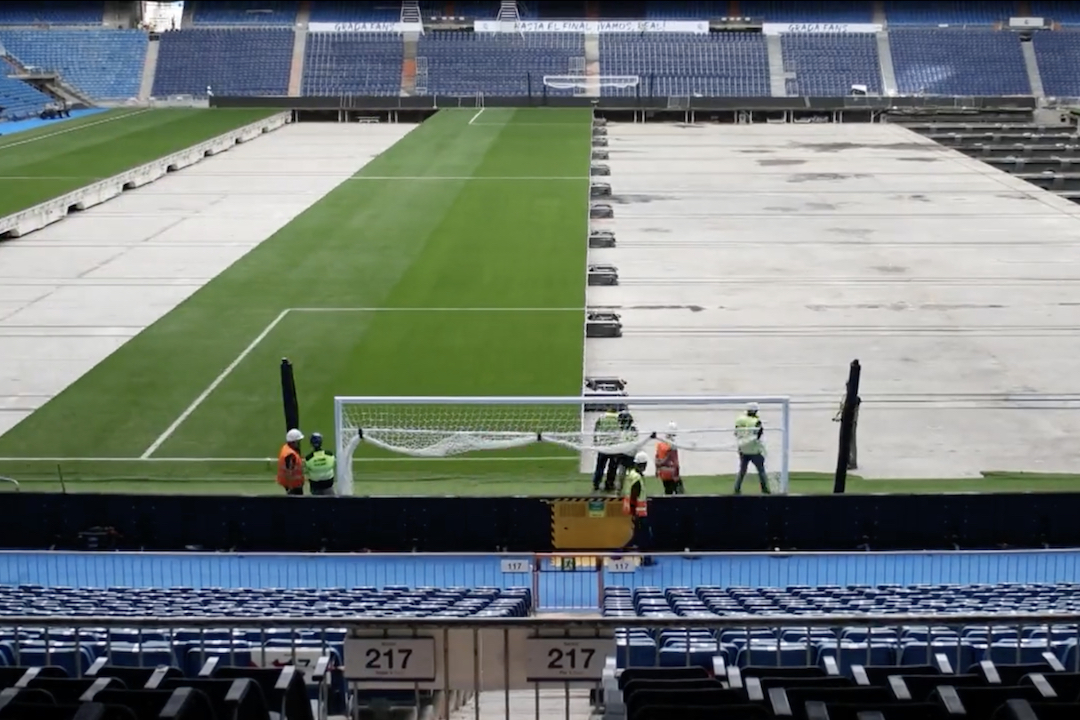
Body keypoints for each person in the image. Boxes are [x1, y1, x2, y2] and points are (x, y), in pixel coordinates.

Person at [621, 451, 653, 561]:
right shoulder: (637, 478)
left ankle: (620, 552)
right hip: (639, 513)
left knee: (637, 536)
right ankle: (646, 559)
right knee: (645, 536)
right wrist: (635, 513)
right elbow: (634, 496)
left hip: (635, 511)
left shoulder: (632, 474)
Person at [734, 403, 771, 495]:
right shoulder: (756, 421)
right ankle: (764, 489)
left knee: (742, 470)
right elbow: (758, 435)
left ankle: (737, 488)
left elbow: (736, 433)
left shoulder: (739, 419)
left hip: (742, 448)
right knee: (761, 470)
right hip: (754, 450)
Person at [591, 408, 622, 493]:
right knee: (612, 467)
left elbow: (596, 428)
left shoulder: (602, 417)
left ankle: (596, 483)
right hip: (614, 447)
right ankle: (609, 484)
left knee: (600, 466)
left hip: (603, 445)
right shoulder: (619, 417)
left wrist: (595, 440)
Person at [833, 393, 861, 470]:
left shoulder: (854, 399)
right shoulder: (846, 397)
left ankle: (852, 461)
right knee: (847, 441)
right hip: (846, 421)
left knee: (851, 441)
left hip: (851, 422)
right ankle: (848, 459)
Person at [655, 421, 684, 495]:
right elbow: (675, 461)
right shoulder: (672, 445)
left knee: (667, 491)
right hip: (671, 472)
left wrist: (657, 470)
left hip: (663, 473)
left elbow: (656, 458)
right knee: (679, 492)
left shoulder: (660, 444)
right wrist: (677, 473)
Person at [304, 432, 336, 496]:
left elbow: (307, 469)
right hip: (328, 485)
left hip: (315, 486)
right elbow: (333, 464)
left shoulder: (308, 458)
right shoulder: (329, 455)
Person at [277, 428, 305, 496]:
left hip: (292, 486)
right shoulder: (290, 455)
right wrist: (290, 488)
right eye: (298, 441)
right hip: (294, 487)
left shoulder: (286, 449)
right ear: (293, 442)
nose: (299, 443)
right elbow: (289, 472)